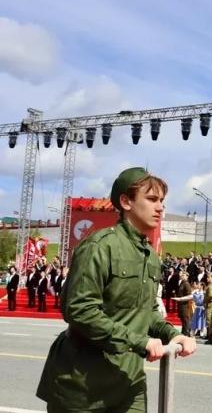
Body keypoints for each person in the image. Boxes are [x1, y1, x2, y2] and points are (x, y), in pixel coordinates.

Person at [36, 167, 196, 411]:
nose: (160, 207)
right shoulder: (99, 247)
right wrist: (138, 341)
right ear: (126, 202)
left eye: (162, 201)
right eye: (152, 199)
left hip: (129, 381)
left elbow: (146, 312)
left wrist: (172, 334)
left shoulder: (150, 256)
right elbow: (79, 310)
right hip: (83, 385)